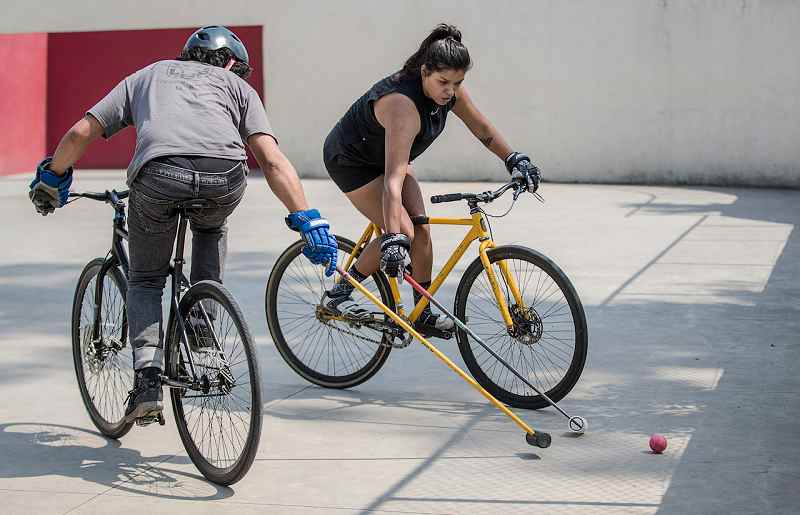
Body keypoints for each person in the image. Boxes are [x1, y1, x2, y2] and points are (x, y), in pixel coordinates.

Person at [28, 26, 337, 424]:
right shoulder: (238, 88)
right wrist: (307, 218)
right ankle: (205, 323)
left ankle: (148, 380)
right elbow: (272, 160)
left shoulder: (149, 75)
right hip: (224, 177)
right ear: (231, 64)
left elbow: (80, 132)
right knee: (210, 226)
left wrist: (52, 179)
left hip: (159, 175)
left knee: (145, 279)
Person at [321, 23, 541, 338]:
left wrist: (515, 159)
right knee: (402, 235)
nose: (450, 90)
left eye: (457, 82)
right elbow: (392, 182)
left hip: (389, 155)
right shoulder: (403, 106)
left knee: (422, 231)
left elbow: (484, 132)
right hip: (352, 161)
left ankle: (421, 313)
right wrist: (394, 238)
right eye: (443, 82)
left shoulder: (449, 90)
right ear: (425, 72)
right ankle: (337, 295)